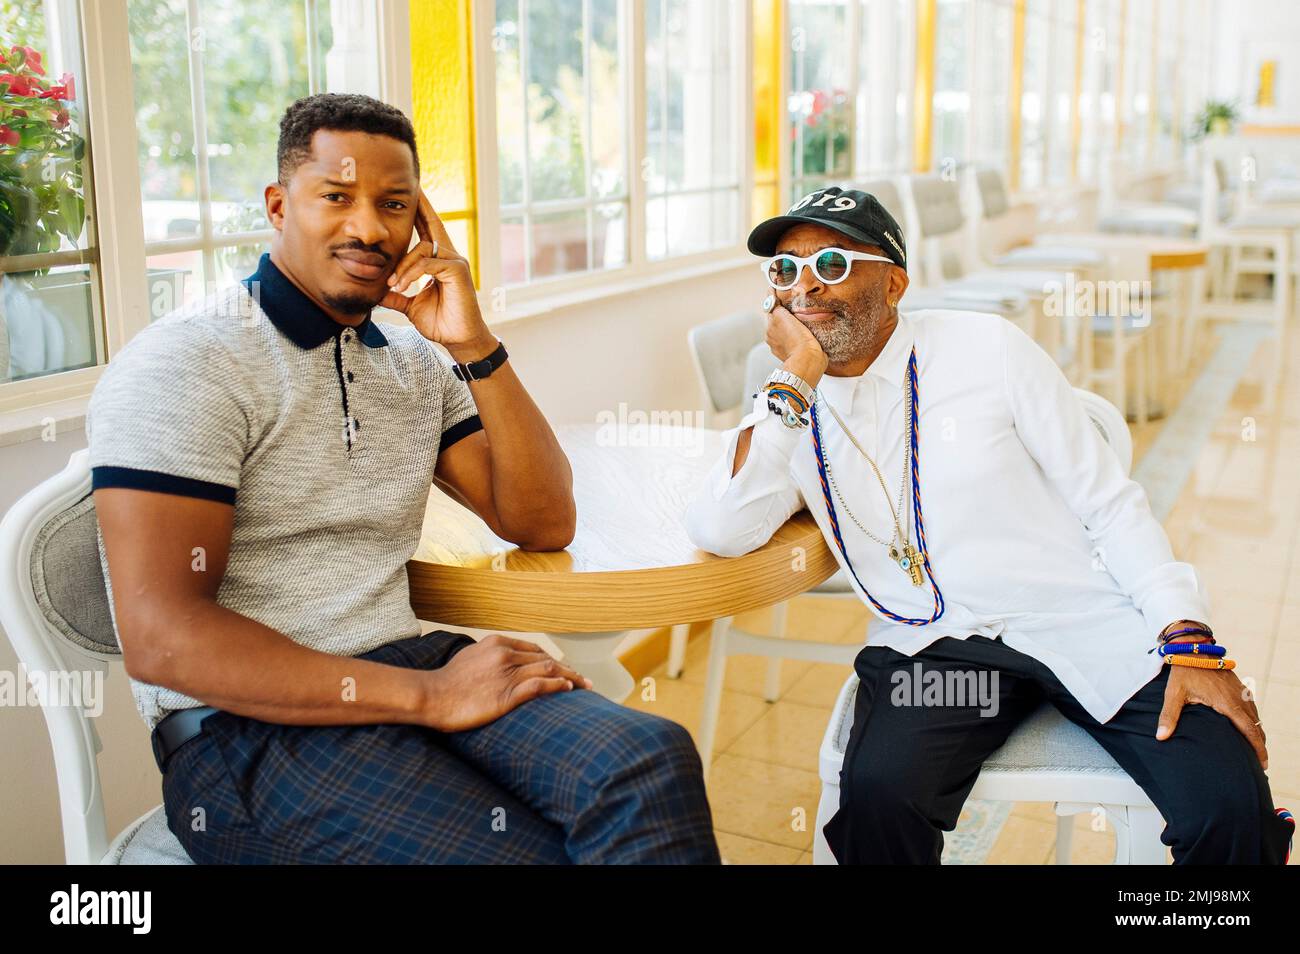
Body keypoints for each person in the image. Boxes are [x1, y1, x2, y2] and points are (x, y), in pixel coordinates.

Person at [88, 92, 719, 864]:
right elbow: (161, 639)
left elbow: (543, 520)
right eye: (336, 197)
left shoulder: (414, 362)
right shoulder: (188, 362)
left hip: (403, 662)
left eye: (394, 204)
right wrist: (431, 697)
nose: (368, 227)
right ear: (278, 205)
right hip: (244, 736)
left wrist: (474, 342)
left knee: (648, 762)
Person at [684, 184, 1293, 864]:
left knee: (1229, 799)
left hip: (1082, 620)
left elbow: (1108, 502)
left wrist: (1185, 634)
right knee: (880, 800)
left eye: (831, 263)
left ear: (893, 284)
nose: (806, 288)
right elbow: (721, 526)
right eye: (785, 269)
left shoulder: (990, 350)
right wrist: (797, 375)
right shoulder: (790, 407)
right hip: (935, 648)